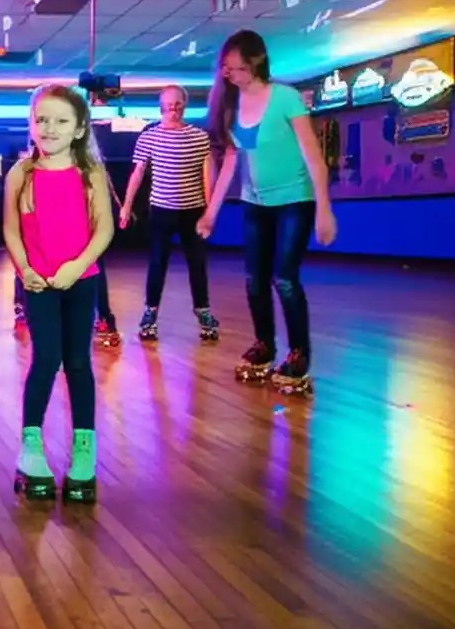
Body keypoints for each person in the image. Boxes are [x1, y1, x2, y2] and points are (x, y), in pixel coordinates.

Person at [197, 29, 337, 396]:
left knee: (284, 277)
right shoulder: (231, 106)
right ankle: (264, 344)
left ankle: (299, 352)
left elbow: (313, 157)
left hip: (295, 200)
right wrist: (210, 212)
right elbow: (229, 164)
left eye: (235, 68)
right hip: (254, 204)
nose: (228, 75)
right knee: (253, 279)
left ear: (255, 64)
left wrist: (325, 209)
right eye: (225, 69)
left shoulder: (286, 98)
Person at [2, 85, 114, 504]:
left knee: (79, 362)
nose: (49, 128)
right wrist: (25, 270)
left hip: (80, 280)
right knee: (46, 359)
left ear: (79, 128)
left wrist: (75, 266)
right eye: (42, 119)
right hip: (38, 284)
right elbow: (11, 230)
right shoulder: (21, 174)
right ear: (32, 123)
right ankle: (31, 448)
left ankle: (84, 450)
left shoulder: (91, 174)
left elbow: (103, 229)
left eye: (61, 121)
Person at [121, 86, 219, 342]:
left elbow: (207, 175)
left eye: (177, 105)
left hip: (193, 211)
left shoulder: (199, 137)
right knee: (157, 263)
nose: (173, 110)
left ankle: (203, 311)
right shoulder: (149, 137)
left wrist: (209, 212)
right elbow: (138, 173)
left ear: (184, 106)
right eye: (168, 105)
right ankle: (150, 312)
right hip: (161, 211)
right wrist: (126, 205)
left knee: (197, 263)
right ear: (160, 107)